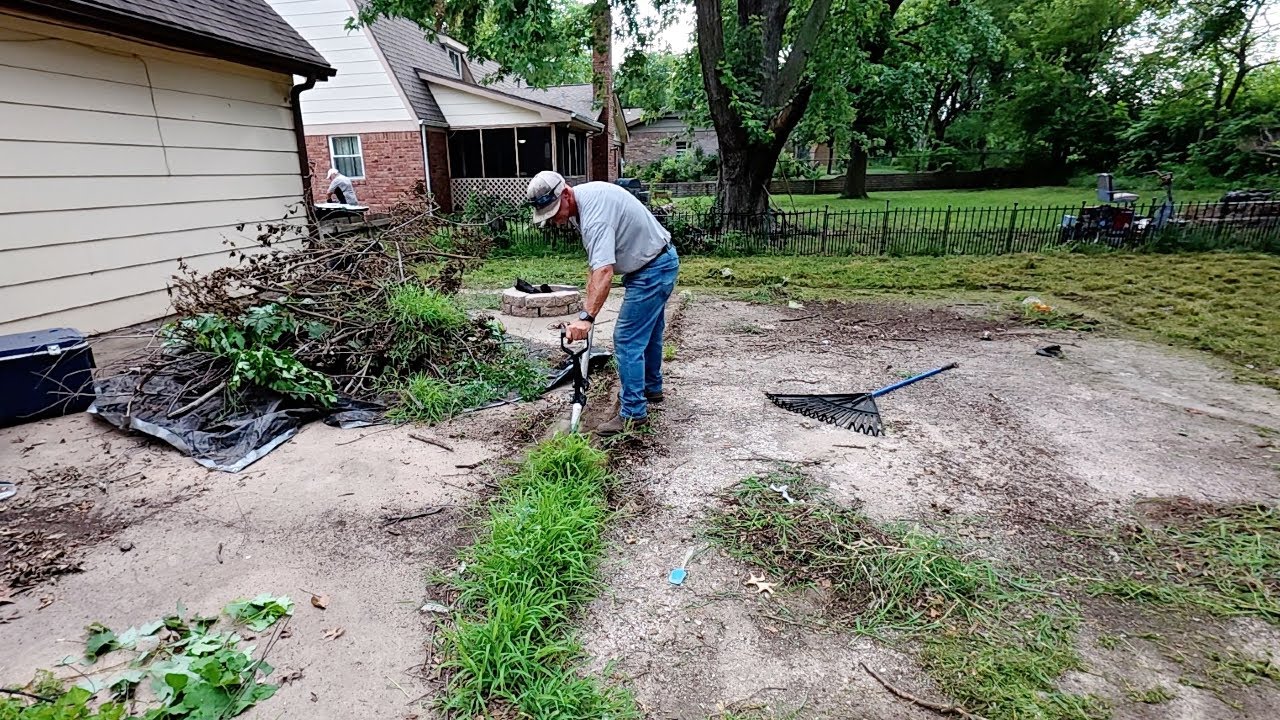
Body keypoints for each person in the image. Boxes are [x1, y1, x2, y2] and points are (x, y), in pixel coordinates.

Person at [527, 170, 678, 437]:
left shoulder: (595, 215)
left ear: (565, 193)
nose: (555, 220)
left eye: (554, 211)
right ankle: (651, 388)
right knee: (650, 332)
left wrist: (587, 318)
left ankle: (633, 412)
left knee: (627, 340)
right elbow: (594, 266)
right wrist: (586, 308)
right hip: (657, 263)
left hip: (652, 270)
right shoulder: (585, 203)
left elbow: (605, 271)